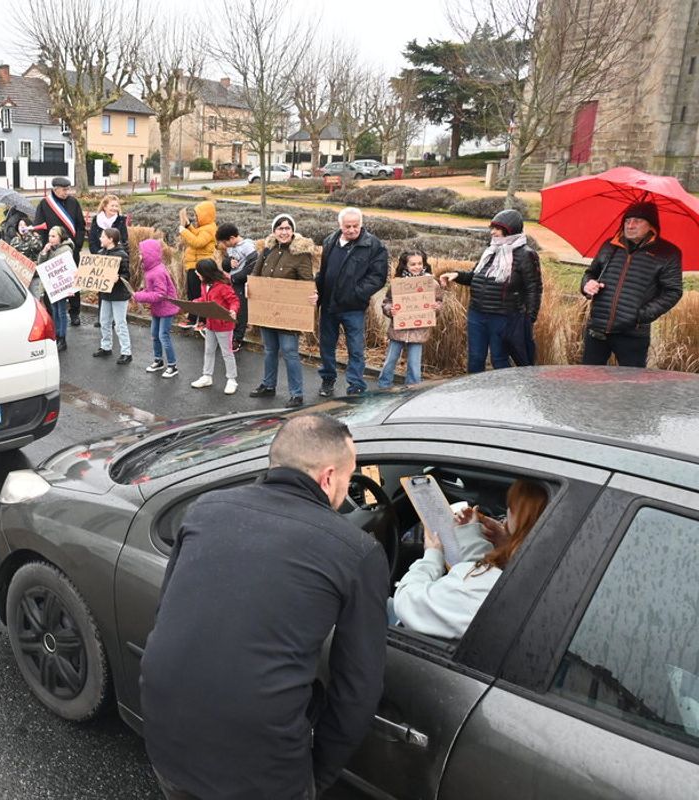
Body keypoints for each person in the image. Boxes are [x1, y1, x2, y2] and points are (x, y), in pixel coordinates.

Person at [141, 413, 388, 800]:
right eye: (348, 476)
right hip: (262, 773)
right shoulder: (357, 552)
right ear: (327, 478)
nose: (347, 485)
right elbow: (357, 690)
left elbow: (166, 615)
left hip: (165, 740)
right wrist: (313, 777)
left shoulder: (206, 509)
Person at [393, 479, 550, 639]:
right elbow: (478, 576)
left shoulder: (480, 589)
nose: (505, 517)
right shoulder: (548, 569)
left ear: (521, 519)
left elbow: (406, 602)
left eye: (511, 507)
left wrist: (432, 556)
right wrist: (508, 545)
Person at [579, 201, 683, 368]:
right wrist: (587, 284)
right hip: (597, 328)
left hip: (633, 334)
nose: (630, 225)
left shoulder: (668, 253)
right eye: (627, 220)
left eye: (637, 221)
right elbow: (591, 273)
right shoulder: (610, 245)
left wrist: (641, 316)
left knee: (632, 388)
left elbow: (673, 291)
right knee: (588, 382)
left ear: (651, 226)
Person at [439, 209, 543, 373]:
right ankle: (476, 394)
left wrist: (529, 319)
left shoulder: (526, 255)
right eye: (492, 227)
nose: (492, 232)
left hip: (503, 317)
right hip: (477, 313)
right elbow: (475, 276)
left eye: (497, 228)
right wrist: (457, 275)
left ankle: (503, 394)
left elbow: (533, 289)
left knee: (499, 359)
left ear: (510, 229)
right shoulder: (491, 250)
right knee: (475, 357)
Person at [314, 207, 389, 397]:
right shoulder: (330, 241)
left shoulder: (373, 245)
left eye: (356, 225)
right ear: (340, 226)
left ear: (361, 224)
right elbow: (324, 271)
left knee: (355, 349)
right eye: (348, 226)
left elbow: (378, 277)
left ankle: (356, 385)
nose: (352, 229)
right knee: (326, 346)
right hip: (329, 304)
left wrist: (356, 293)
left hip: (353, 307)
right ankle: (328, 379)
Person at [249, 213, 318, 407]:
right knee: (270, 350)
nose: (284, 232)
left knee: (289, 351)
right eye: (280, 228)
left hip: (288, 314)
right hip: (267, 310)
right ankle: (268, 385)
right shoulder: (267, 250)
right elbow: (256, 274)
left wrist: (313, 294)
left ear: (293, 230)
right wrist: (250, 287)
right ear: (274, 231)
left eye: (288, 228)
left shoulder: (300, 254)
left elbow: (307, 281)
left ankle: (297, 393)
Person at [378, 249, 444, 389]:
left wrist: (436, 308)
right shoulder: (398, 283)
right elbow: (387, 302)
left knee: (414, 364)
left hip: (419, 332)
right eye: (413, 264)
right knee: (390, 361)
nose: (417, 267)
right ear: (405, 265)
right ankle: (383, 387)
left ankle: (412, 390)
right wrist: (390, 309)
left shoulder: (431, 284)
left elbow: (439, 302)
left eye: (420, 263)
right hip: (398, 331)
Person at [33, 176, 86, 326]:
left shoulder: (73, 202)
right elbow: (40, 228)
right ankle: (52, 314)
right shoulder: (44, 204)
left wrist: (78, 245)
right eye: (64, 189)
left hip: (71, 250)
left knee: (74, 282)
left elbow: (80, 225)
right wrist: (46, 246)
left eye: (68, 189)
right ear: (55, 189)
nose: (67, 192)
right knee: (54, 283)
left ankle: (75, 313)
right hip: (52, 252)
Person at [189, 259, 240, 395]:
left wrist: (233, 311)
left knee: (227, 353)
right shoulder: (204, 284)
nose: (196, 273)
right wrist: (193, 303)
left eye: (198, 271)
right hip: (210, 323)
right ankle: (207, 376)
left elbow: (233, 301)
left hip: (224, 325)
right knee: (208, 351)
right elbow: (205, 300)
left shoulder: (222, 286)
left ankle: (232, 379)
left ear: (206, 273)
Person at [133, 238, 180, 379]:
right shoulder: (150, 270)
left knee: (163, 336)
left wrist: (140, 297)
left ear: (149, 254)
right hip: (157, 308)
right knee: (155, 334)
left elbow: (160, 294)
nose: (139, 256)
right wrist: (140, 294)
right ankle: (158, 360)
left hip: (166, 308)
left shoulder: (157, 272)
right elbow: (150, 290)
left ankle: (172, 365)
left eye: (141, 253)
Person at [93, 228, 133, 364]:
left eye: (103, 236)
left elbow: (127, 274)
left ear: (111, 239)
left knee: (120, 324)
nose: (100, 238)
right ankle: (106, 347)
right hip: (106, 294)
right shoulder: (100, 253)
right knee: (104, 322)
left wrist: (119, 277)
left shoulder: (122, 255)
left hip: (119, 295)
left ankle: (126, 352)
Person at [217, 222, 259, 351]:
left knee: (240, 310)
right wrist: (228, 262)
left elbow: (253, 267)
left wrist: (235, 278)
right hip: (232, 282)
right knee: (230, 307)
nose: (224, 246)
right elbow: (226, 264)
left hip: (242, 283)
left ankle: (238, 339)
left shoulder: (248, 247)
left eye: (225, 242)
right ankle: (230, 333)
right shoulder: (230, 247)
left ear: (232, 238)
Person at [177, 201, 217, 329]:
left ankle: (203, 320)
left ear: (205, 215)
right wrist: (188, 225)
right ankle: (193, 318)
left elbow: (198, 242)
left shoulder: (210, 228)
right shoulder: (204, 228)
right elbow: (196, 234)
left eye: (198, 215)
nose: (196, 218)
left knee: (201, 295)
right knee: (192, 294)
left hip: (201, 267)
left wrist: (183, 231)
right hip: (193, 265)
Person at [38, 226, 74, 351]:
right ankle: (57, 335)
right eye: (49, 236)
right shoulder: (50, 249)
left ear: (60, 237)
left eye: (53, 236)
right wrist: (44, 252)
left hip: (61, 285)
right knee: (54, 311)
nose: (50, 239)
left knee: (61, 312)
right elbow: (41, 264)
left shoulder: (66, 249)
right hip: (52, 286)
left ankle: (62, 338)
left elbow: (66, 268)